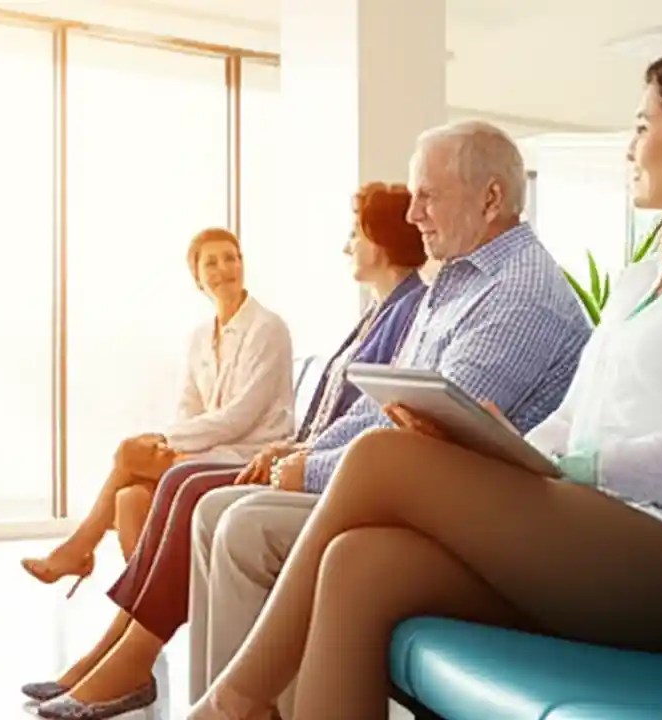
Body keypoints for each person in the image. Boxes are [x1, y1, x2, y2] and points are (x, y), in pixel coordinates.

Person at [189, 41, 662, 720]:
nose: (630, 147)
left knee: (381, 456)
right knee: (358, 565)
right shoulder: (645, 276)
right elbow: (573, 417)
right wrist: (500, 442)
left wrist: (567, 468)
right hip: (599, 537)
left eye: (642, 125)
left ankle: (235, 701)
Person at [189, 119, 593, 712]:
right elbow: (390, 410)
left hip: (468, 518)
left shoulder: (519, 293)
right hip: (410, 495)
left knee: (248, 529)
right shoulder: (453, 281)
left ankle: (236, 706)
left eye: (428, 196)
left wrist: (314, 472)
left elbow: (435, 442)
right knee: (214, 509)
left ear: (490, 198)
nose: (413, 216)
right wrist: (307, 458)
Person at [26, 183, 429, 717]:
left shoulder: (299, 325)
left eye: (354, 234)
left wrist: (283, 451)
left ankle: (122, 647)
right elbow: (197, 407)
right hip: (268, 451)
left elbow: (323, 418)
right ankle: (114, 657)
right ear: (196, 276)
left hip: (263, 453)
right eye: (210, 263)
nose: (345, 245)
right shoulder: (376, 313)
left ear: (379, 241)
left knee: (173, 480)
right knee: (137, 497)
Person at [21, 228, 295, 596]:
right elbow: (189, 406)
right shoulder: (200, 336)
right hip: (209, 449)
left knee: (129, 453)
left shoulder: (268, 328)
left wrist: (168, 440)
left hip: (250, 456)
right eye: (210, 262)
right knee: (128, 499)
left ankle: (80, 549)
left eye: (231, 257)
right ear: (197, 278)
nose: (224, 268)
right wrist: (176, 446)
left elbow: (241, 416)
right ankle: (147, 608)